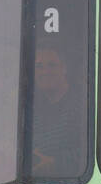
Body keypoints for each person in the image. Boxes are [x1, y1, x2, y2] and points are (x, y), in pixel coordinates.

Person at [30, 43, 79, 177]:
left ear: (64, 68)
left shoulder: (84, 104)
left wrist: (56, 162)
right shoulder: (33, 109)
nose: (45, 71)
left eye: (51, 65)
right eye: (39, 66)